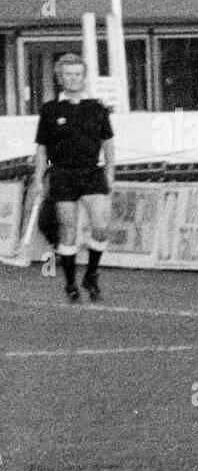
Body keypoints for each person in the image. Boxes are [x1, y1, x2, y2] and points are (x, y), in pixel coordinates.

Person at [33, 54, 114, 303]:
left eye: (78, 74)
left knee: (101, 227)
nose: (74, 78)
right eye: (68, 74)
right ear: (60, 78)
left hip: (92, 172)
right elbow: (42, 149)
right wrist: (38, 179)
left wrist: (110, 173)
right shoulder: (50, 110)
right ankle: (70, 283)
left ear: (84, 76)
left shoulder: (97, 108)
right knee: (68, 230)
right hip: (62, 174)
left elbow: (108, 143)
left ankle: (90, 274)